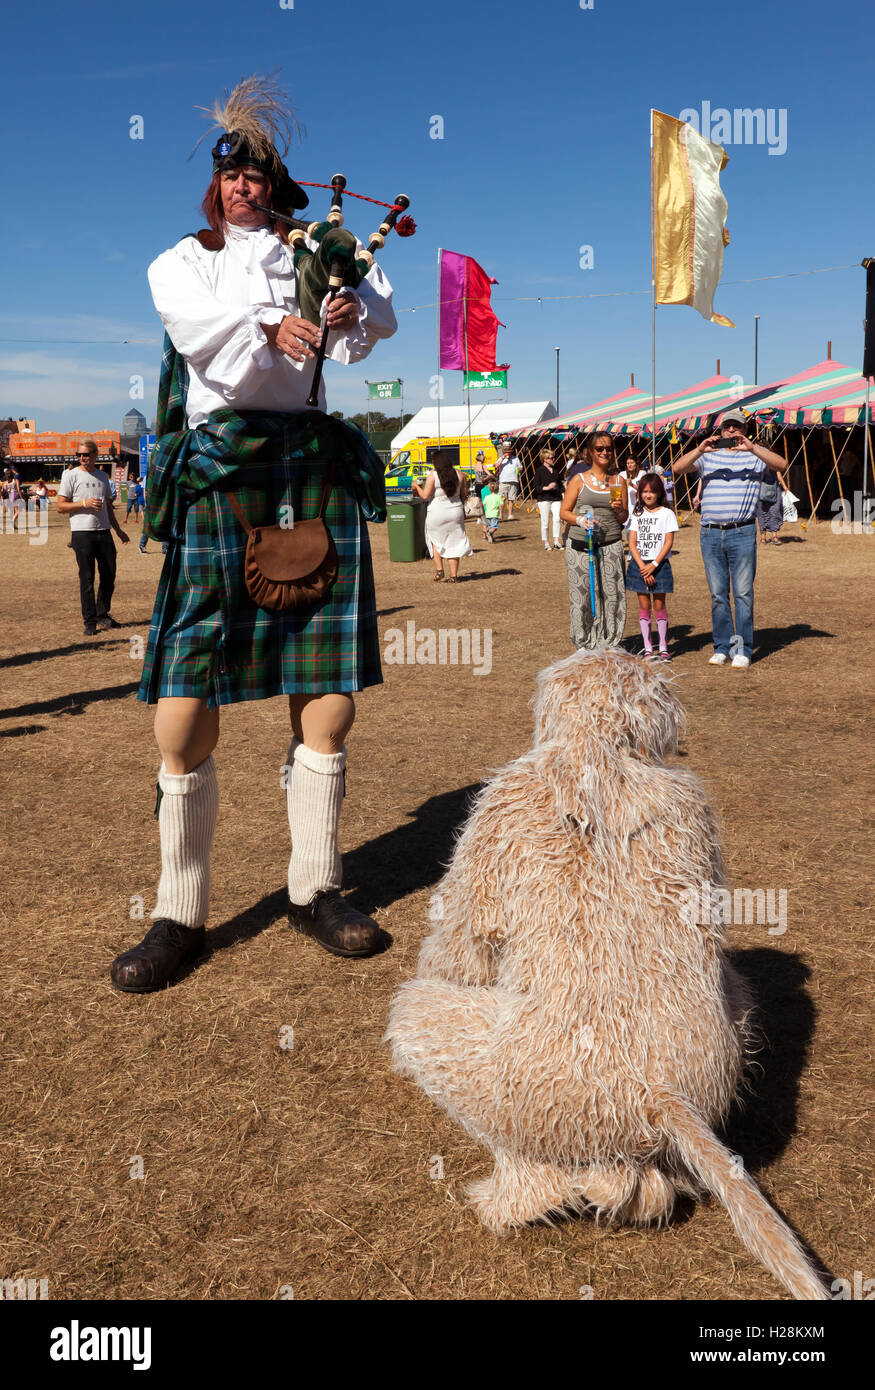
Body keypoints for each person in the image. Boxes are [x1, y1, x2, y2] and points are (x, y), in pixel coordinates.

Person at [109, 75, 397, 994]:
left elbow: (375, 321)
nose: (245, 184)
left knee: (328, 694)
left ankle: (315, 888)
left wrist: (350, 313)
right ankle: (177, 911)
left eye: (260, 171)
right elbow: (199, 336)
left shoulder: (318, 247)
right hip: (222, 471)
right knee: (185, 704)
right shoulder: (182, 261)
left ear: (278, 182)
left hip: (307, 467)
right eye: (232, 172)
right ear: (216, 185)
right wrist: (272, 319)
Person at [673, 409, 790, 667]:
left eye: (737, 427)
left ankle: (742, 650)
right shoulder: (708, 457)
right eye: (727, 427)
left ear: (745, 430)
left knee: (743, 594)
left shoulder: (755, 455)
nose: (732, 432)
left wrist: (752, 448)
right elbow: (677, 468)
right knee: (718, 594)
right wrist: (700, 449)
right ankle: (722, 647)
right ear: (720, 430)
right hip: (711, 533)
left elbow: (782, 464)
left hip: (742, 532)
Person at [559, 432, 628, 648]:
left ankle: (610, 642)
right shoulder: (578, 480)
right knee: (582, 597)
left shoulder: (618, 481)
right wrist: (580, 520)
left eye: (609, 448)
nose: (605, 452)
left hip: (611, 545)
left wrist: (619, 512)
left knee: (613, 595)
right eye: (600, 449)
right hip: (580, 546)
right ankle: (584, 642)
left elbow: (624, 517)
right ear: (590, 452)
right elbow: (564, 512)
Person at [56, 438, 130, 635]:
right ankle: (89, 621)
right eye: (79, 455)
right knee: (87, 578)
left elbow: (108, 507)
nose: (82, 458)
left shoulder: (103, 477)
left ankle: (102, 614)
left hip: (104, 532)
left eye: (86, 454)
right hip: (82, 533)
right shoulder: (70, 475)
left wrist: (118, 530)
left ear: (95, 455)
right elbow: (60, 506)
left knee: (109, 574)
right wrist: (84, 504)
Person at [626, 472, 678, 662]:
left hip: (660, 565)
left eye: (652, 492)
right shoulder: (637, 514)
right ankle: (648, 649)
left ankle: (663, 647)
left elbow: (668, 542)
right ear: (639, 493)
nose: (648, 495)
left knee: (659, 604)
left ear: (659, 493)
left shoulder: (667, 513)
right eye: (644, 492)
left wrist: (654, 565)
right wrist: (643, 567)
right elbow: (632, 543)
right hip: (639, 565)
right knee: (644, 605)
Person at [412, 451, 473, 582]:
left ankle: (439, 571)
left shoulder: (433, 475)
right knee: (454, 541)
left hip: (437, 512)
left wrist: (416, 486)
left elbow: (425, 496)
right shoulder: (460, 474)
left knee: (434, 539)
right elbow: (464, 494)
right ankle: (454, 576)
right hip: (455, 512)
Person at [530, 445, 564, 551]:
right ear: (545, 459)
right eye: (551, 457)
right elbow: (536, 486)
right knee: (545, 522)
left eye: (553, 457)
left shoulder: (555, 470)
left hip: (556, 498)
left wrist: (563, 494)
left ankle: (556, 541)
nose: (553, 459)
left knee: (557, 519)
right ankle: (546, 542)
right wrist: (547, 487)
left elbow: (560, 484)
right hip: (544, 499)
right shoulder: (539, 471)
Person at [756, 465, 790, 544]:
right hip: (761, 488)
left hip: (774, 487)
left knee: (775, 511)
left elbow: (778, 473)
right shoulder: (758, 461)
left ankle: (774, 536)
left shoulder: (773, 460)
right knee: (762, 512)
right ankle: (763, 537)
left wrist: (785, 487)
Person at [496, 440, 521, 520]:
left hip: (513, 480)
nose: (508, 453)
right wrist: (503, 458)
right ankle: (500, 514)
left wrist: (519, 469)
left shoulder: (516, 459)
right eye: (506, 451)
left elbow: (520, 467)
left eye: (509, 451)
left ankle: (510, 514)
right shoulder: (500, 458)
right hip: (503, 481)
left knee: (511, 499)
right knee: (502, 499)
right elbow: (496, 466)